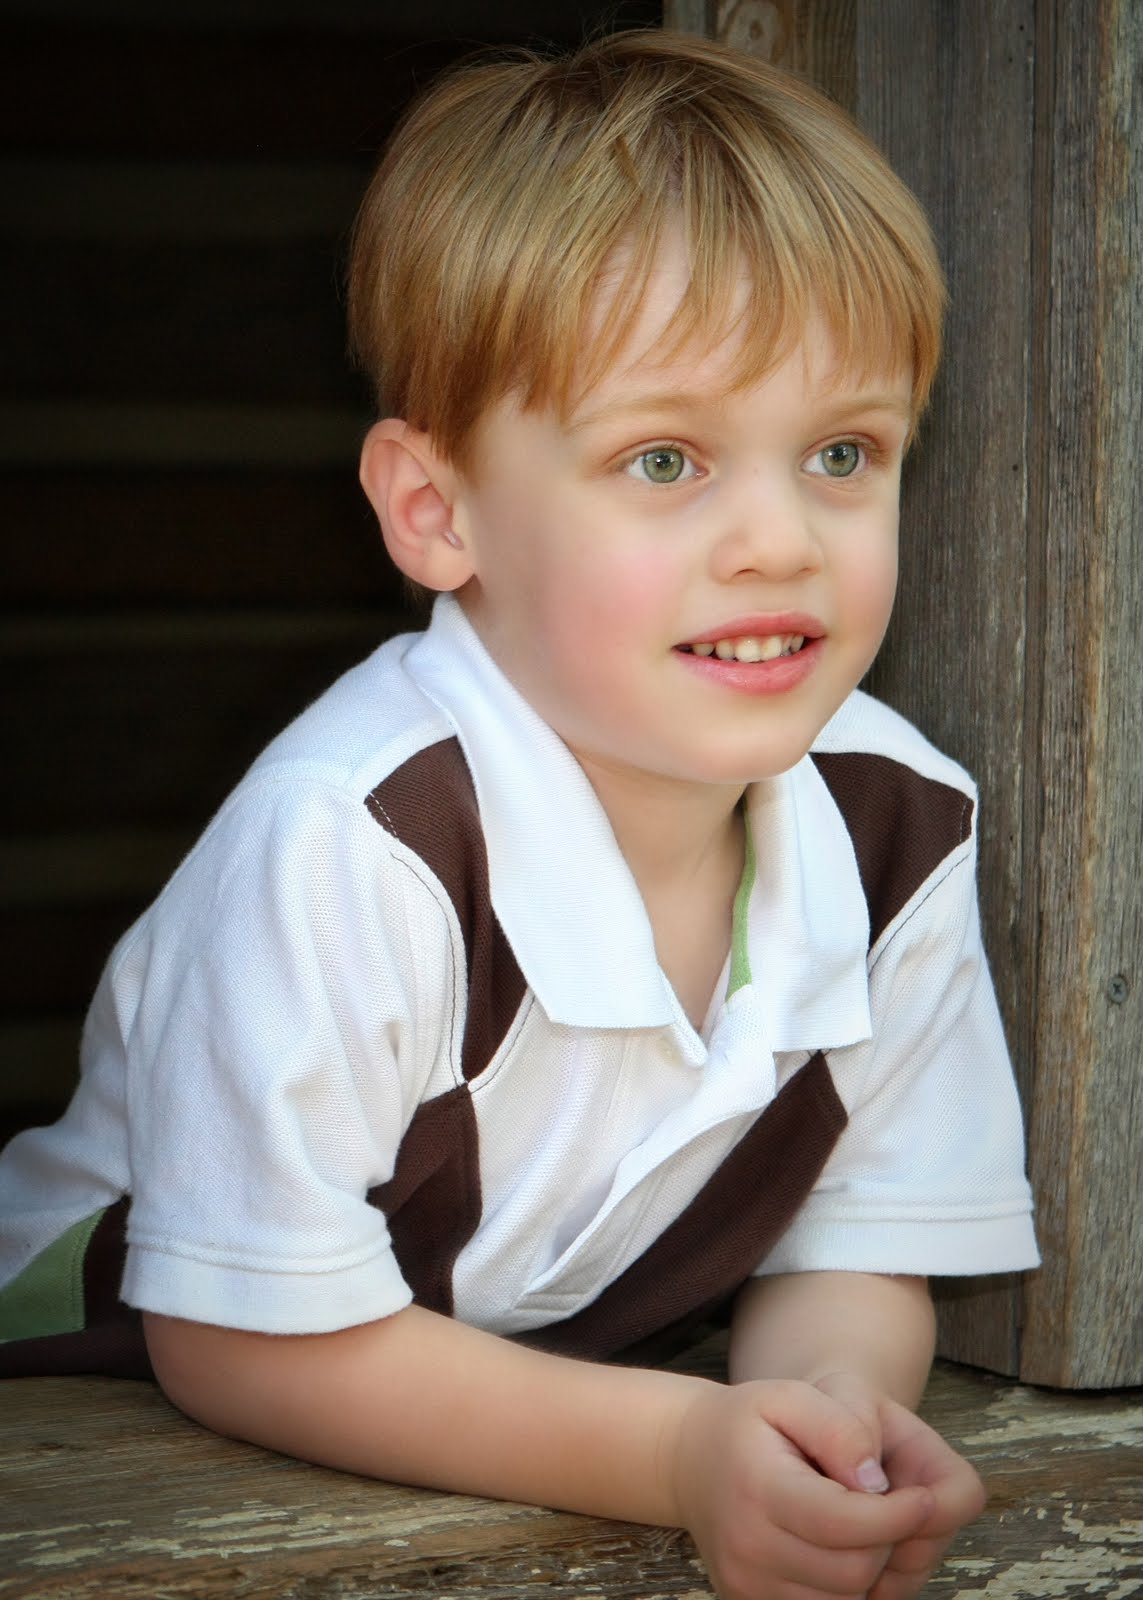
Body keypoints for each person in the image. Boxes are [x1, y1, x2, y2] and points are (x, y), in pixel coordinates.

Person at [0, 29, 1038, 1599]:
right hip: (81, 1373)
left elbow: (862, 1234)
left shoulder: (900, 825)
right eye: (667, 457)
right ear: (439, 511)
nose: (778, 539)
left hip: (488, 1388)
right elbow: (232, 1337)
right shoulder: (357, 843)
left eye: (844, 451)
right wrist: (680, 1451)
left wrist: (823, 1427)